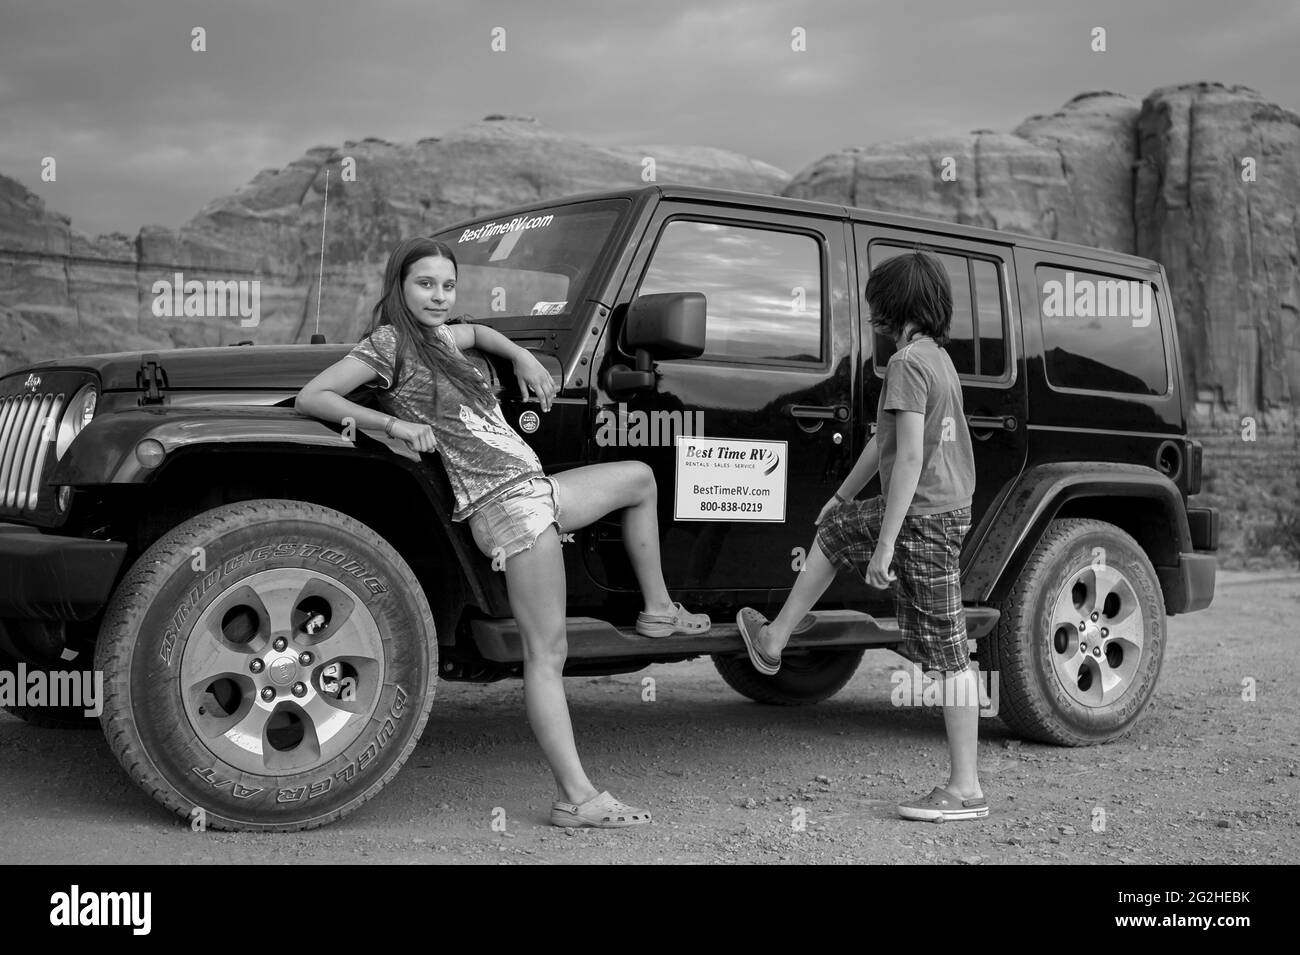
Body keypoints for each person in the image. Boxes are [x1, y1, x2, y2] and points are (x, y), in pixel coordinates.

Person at [296, 236, 709, 828]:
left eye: (447, 285)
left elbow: (482, 334)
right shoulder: (388, 346)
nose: (438, 296)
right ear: (399, 288)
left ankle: (659, 609)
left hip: (534, 489)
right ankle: (577, 796)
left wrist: (521, 356)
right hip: (507, 507)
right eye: (424, 285)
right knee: (547, 654)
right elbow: (316, 395)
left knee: (640, 478)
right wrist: (389, 423)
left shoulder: (443, 337)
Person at [736, 250, 985, 822]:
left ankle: (965, 789)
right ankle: (773, 641)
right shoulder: (936, 359)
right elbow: (885, 443)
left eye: (876, 306)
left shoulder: (906, 364)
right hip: (943, 508)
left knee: (949, 653)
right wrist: (845, 497)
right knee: (833, 530)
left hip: (926, 516)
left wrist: (886, 542)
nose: (871, 316)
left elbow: (911, 458)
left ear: (893, 309)